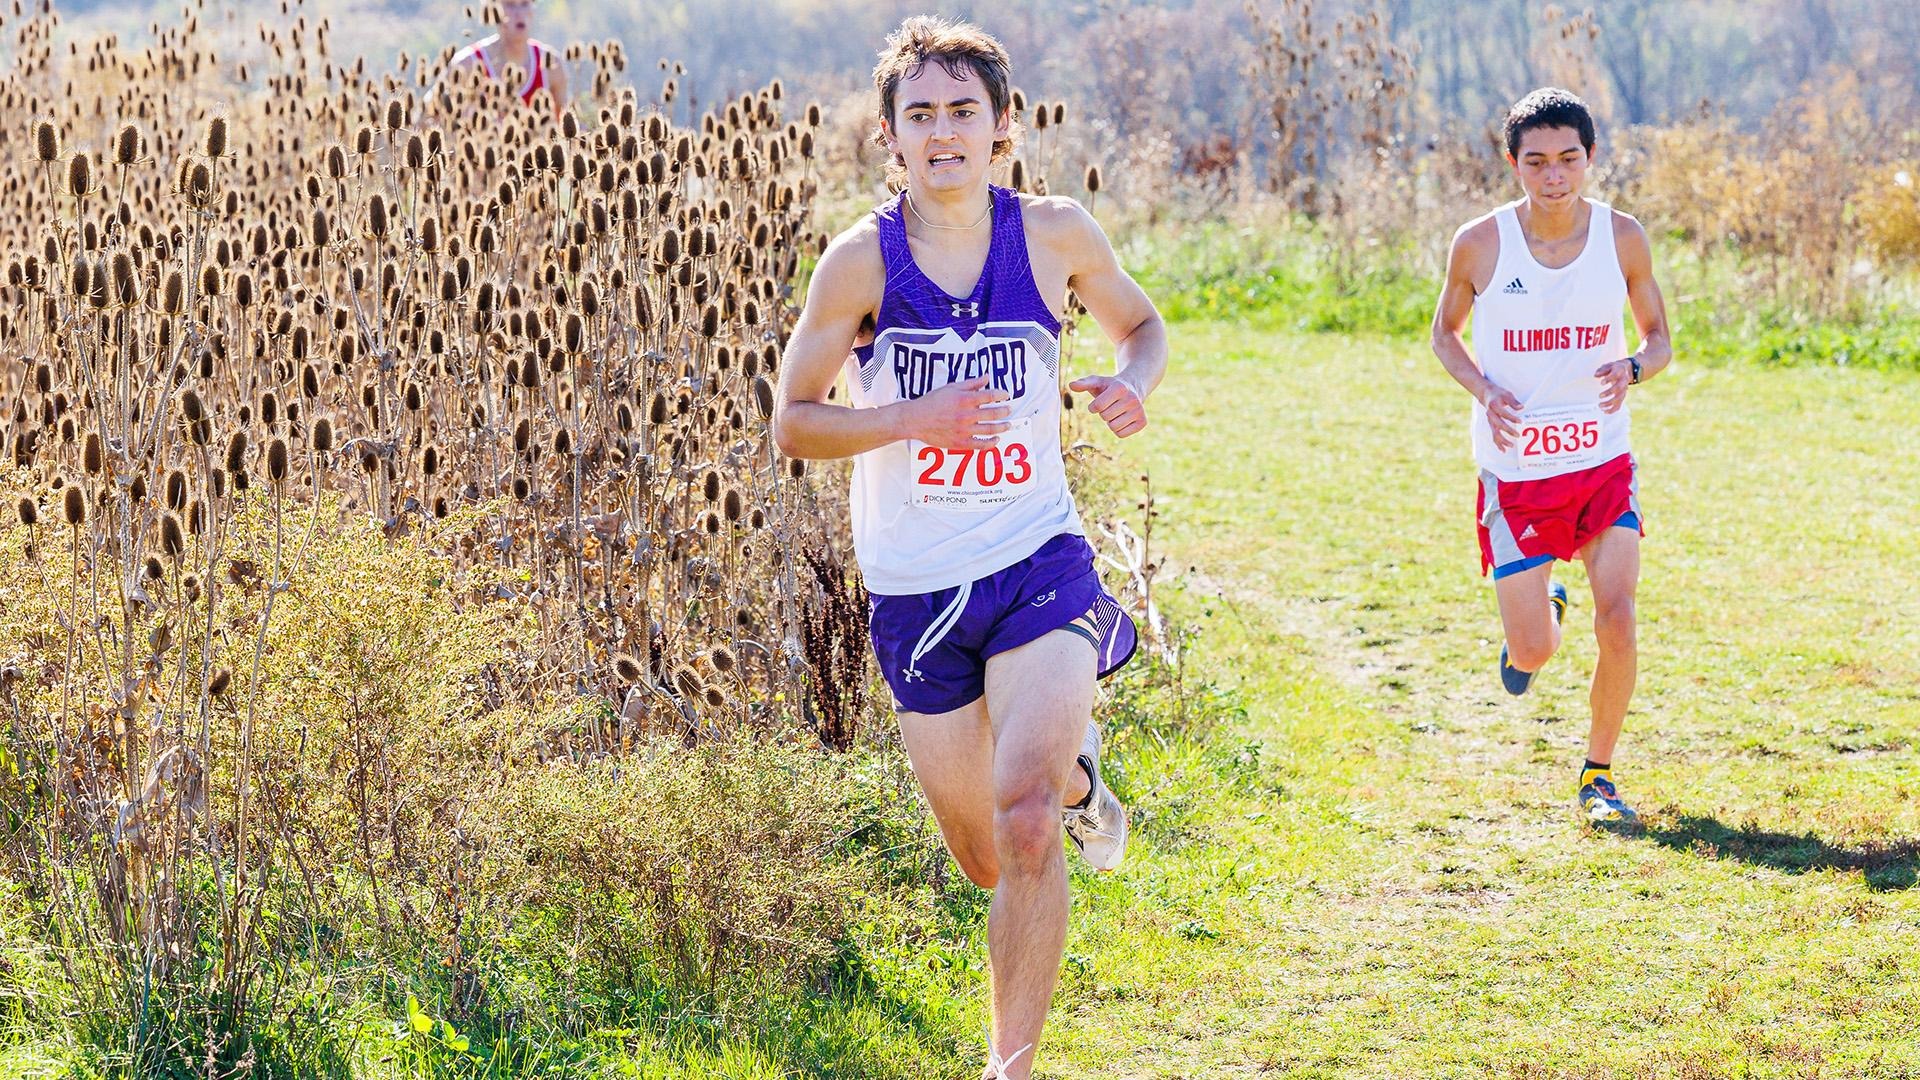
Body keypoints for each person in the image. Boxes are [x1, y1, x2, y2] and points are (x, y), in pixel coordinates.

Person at [771, 16, 1167, 1079]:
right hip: (914, 590)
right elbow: (795, 423)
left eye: (963, 112)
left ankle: (1011, 1067)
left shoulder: (1054, 233)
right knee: (988, 854)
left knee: (1025, 821)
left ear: (1002, 127)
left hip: (1039, 557)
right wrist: (912, 420)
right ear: (889, 137)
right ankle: (1084, 786)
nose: (942, 132)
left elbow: (1143, 324)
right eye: (920, 115)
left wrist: (1131, 383)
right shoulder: (859, 263)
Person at [1430, 87, 1673, 824]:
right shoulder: (1479, 243)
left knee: (1621, 618)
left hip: (1602, 461)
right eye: (1537, 162)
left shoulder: (1622, 237)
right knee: (1534, 653)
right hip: (1519, 475)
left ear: (1590, 159)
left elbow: (1659, 339)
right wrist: (1483, 389)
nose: (1555, 176)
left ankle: (1598, 775)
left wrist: (1631, 369)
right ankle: (1541, 618)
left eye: (1569, 159)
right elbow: (1444, 334)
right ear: (1514, 166)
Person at [438, 0, 569, 121]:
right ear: (493, 10)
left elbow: (564, 122)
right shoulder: (466, 65)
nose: (519, 13)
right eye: (510, 4)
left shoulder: (551, 64)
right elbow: (428, 114)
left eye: (524, 3)